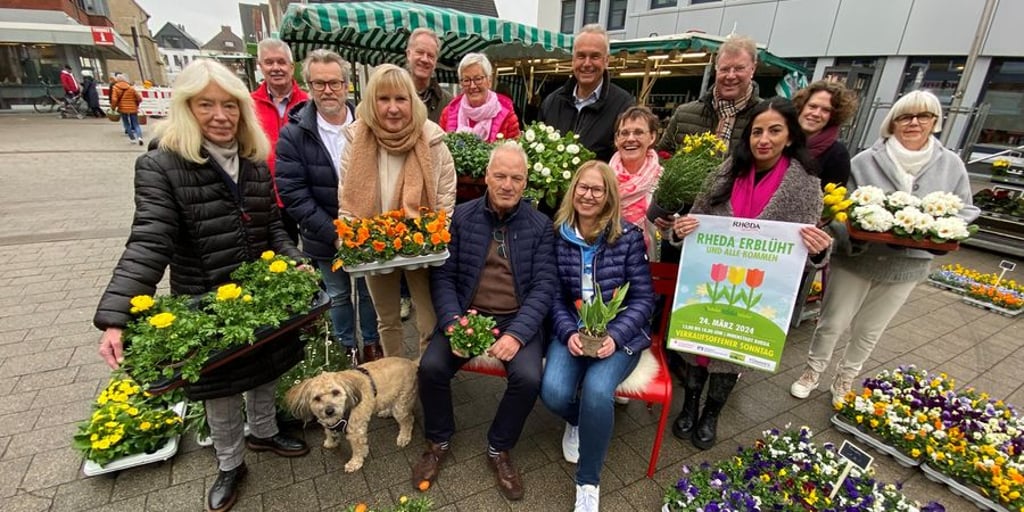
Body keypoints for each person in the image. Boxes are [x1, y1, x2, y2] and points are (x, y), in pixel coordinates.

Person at [94, 59, 309, 512]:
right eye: (205, 105)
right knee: (221, 388)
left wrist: (295, 263)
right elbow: (149, 241)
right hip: (204, 298)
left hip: (258, 298)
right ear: (186, 109)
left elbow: (272, 229)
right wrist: (116, 317)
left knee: (266, 369)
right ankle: (230, 464)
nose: (219, 115)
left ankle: (266, 432)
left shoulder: (252, 162)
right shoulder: (162, 166)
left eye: (229, 105)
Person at [790, 90, 979, 405]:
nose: (914, 123)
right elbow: (840, 207)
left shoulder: (951, 164)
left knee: (869, 329)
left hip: (908, 265)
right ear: (893, 121)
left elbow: (966, 210)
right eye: (905, 116)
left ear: (935, 122)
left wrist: (941, 234)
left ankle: (845, 377)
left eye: (924, 116)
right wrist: (854, 234)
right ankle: (812, 371)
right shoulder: (866, 160)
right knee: (833, 322)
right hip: (856, 259)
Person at [669, 98, 833, 449]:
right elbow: (696, 220)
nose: (764, 139)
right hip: (711, 280)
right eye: (757, 131)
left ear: (789, 136)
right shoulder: (725, 172)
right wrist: (680, 231)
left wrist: (818, 249)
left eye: (775, 131)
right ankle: (690, 404)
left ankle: (712, 412)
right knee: (698, 344)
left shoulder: (804, 186)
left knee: (731, 352)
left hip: (759, 289)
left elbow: (804, 250)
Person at [414, 142, 556, 500]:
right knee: (430, 367)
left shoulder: (540, 226)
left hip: (515, 319)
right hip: (469, 315)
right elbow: (443, 278)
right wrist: (453, 323)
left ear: (525, 184)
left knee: (528, 377)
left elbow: (544, 287)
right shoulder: (462, 217)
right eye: (500, 175)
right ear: (486, 177)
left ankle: (499, 448)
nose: (508, 184)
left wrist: (520, 334)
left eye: (516, 178)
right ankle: (438, 440)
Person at [540, 160, 654, 511]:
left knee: (597, 391)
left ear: (609, 196)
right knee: (554, 393)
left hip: (620, 335)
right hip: (573, 330)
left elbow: (644, 298)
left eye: (597, 189)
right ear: (573, 191)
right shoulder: (557, 235)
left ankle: (588, 481)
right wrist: (567, 329)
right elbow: (555, 294)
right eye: (582, 187)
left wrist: (616, 336)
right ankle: (576, 420)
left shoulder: (627, 237)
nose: (588, 195)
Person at [338, 64, 456, 358]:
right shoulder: (356, 141)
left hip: (421, 241)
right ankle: (393, 376)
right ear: (371, 101)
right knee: (387, 319)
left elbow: (444, 196)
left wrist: (437, 233)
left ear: (412, 101)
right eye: (383, 99)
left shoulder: (432, 139)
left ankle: (423, 377)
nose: (392, 108)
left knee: (428, 318)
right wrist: (350, 238)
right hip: (375, 241)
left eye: (400, 99)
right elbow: (348, 197)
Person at [275, 49, 381, 366]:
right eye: (319, 83)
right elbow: (293, 192)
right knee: (337, 295)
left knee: (369, 293)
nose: (327, 90)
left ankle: (372, 344)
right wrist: (333, 233)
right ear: (308, 85)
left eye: (334, 82)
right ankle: (346, 346)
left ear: (347, 85)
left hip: (367, 232)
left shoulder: (369, 125)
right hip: (323, 234)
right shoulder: (294, 134)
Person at [539, 24, 634, 162]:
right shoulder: (551, 102)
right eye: (581, 56)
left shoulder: (623, 106)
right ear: (573, 60)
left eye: (595, 56)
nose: (587, 63)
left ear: (606, 60)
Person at [657, 34, 763, 155]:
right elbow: (660, 160)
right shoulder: (683, 115)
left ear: (753, 69)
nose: (730, 76)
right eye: (725, 69)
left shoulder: (766, 117)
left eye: (739, 69)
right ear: (716, 69)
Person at [252, 38, 309, 244]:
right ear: (260, 67)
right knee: (283, 250)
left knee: (314, 250)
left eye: (281, 62)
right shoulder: (249, 106)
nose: (276, 68)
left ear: (292, 67)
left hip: (304, 192)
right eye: (269, 62)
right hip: (269, 196)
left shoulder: (308, 103)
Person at [609, 106, 662, 256]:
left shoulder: (663, 180)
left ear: (652, 137)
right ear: (616, 139)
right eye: (624, 133)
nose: (630, 139)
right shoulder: (603, 179)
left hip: (649, 264)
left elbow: (672, 233)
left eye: (639, 132)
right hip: (607, 261)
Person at [438, 52, 520, 142]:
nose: (472, 86)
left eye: (478, 79)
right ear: (461, 84)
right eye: (466, 80)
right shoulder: (448, 114)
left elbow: (515, 152)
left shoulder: (508, 116)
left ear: (489, 81)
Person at [792, 80, 858, 188]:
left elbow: (831, 200)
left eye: (826, 110)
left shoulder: (837, 154)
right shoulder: (780, 139)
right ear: (801, 106)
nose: (816, 114)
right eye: (812, 106)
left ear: (833, 116)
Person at [406, 27, 452, 124]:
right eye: (420, 52)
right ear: (408, 54)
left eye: (430, 55)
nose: (424, 59)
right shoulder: (392, 95)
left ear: (435, 62)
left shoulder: (448, 103)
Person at [110, 73, 143, 145]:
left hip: (123, 109)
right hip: (133, 108)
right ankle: (140, 137)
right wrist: (137, 104)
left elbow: (114, 99)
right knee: (136, 124)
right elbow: (139, 98)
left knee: (126, 124)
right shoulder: (131, 88)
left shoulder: (115, 88)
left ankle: (132, 139)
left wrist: (113, 107)